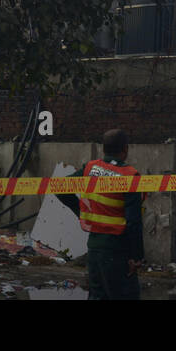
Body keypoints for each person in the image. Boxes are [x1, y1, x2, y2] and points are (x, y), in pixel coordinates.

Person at [57, 128, 145, 300]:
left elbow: (60, 189)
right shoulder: (129, 176)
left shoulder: (90, 168)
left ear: (103, 148)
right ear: (125, 149)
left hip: (95, 250)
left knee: (98, 296)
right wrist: (136, 257)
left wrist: (82, 212)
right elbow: (134, 222)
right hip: (118, 251)